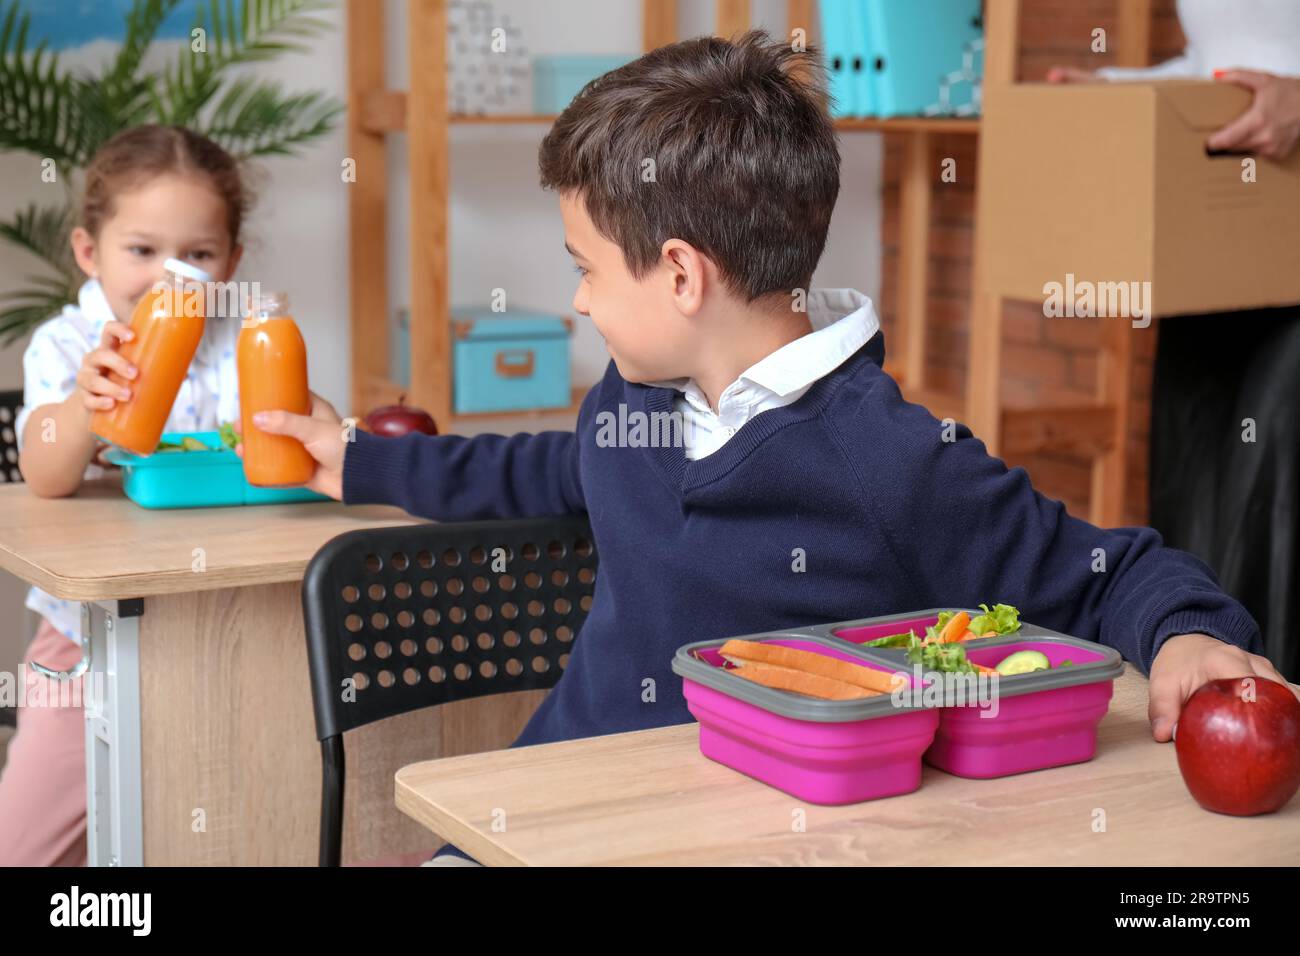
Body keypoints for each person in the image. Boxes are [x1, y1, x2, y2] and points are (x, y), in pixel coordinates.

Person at [247, 31, 1292, 866]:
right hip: (548, 806)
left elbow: (1106, 569)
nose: (572, 300)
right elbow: (552, 466)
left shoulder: (892, 460)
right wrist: (361, 460)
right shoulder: (635, 396)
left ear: (680, 275)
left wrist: (1187, 632)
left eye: (585, 269)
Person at [0, 125, 248, 865]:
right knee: (23, 846)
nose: (168, 278)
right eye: (142, 251)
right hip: (86, 639)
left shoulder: (240, 342)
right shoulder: (68, 345)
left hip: (221, 630)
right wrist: (84, 409)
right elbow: (45, 476)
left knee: (228, 816)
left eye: (197, 256)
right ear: (89, 252)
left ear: (230, 264)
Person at [1049, 0, 1300, 680]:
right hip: (1221, 246)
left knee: (1276, 498)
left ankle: (1277, 708)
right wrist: (1120, 93)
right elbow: (1217, 66)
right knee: (1193, 482)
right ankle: (1202, 681)